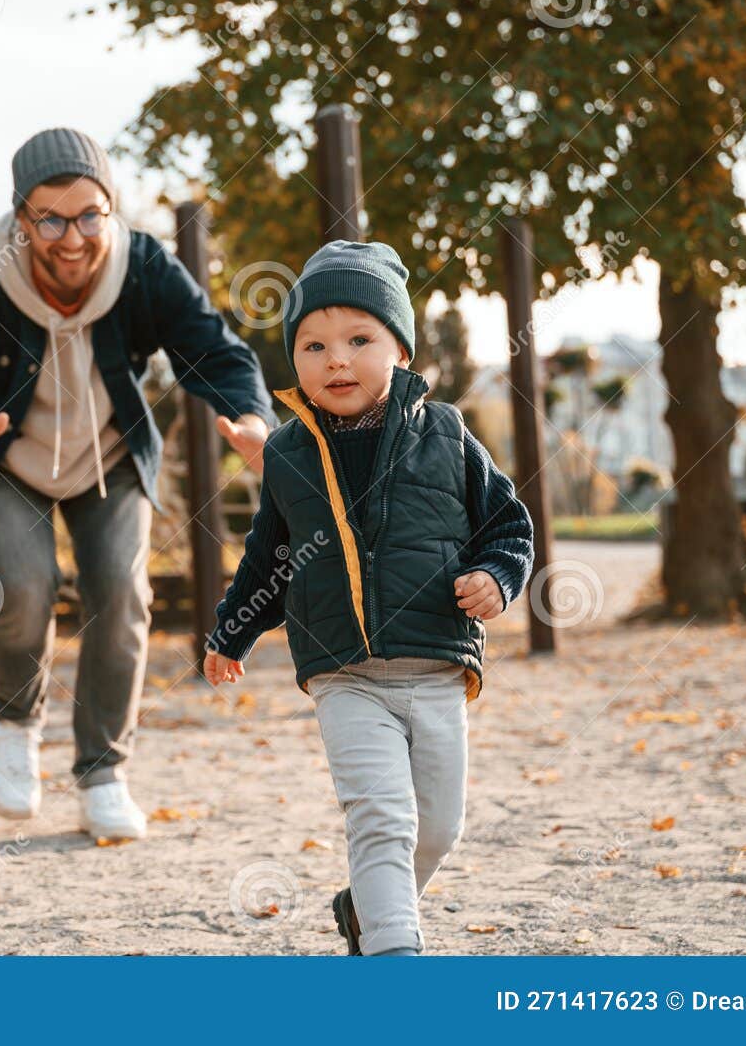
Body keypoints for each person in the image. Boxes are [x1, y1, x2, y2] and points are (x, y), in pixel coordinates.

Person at [0, 128, 277, 840]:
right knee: (25, 585)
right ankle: (15, 723)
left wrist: (251, 418)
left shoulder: (142, 267)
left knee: (121, 594)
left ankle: (102, 770)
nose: (72, 238)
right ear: (21, 218)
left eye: (89, 216)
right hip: (7, 463)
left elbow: (215, 350)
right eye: (50, 219)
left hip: (109, 459)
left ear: (111, 208)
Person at [201, 240, 534, 954]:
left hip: (437, 663)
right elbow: (270, 556)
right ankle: (394, 952)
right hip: (343, 672)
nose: (337, 359)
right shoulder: (290, 453)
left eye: (359, 339)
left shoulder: (447, 433)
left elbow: (507, 522)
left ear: (402, 351)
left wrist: (497, 577)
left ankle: (365, 907)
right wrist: (231, 630)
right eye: (314, 345)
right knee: (382, 816)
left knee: (439, 826)